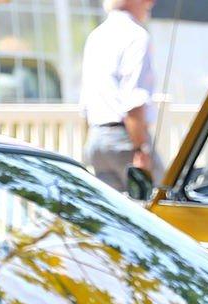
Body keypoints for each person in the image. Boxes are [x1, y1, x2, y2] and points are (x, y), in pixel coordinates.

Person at [80, 0, 163, 191]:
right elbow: (134, 101)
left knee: (112, 212)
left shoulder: (96, 35)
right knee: (161, 200)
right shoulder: (136, 36)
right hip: (124, 139)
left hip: (97, 139)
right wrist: (142, 148)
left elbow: (85, 104)